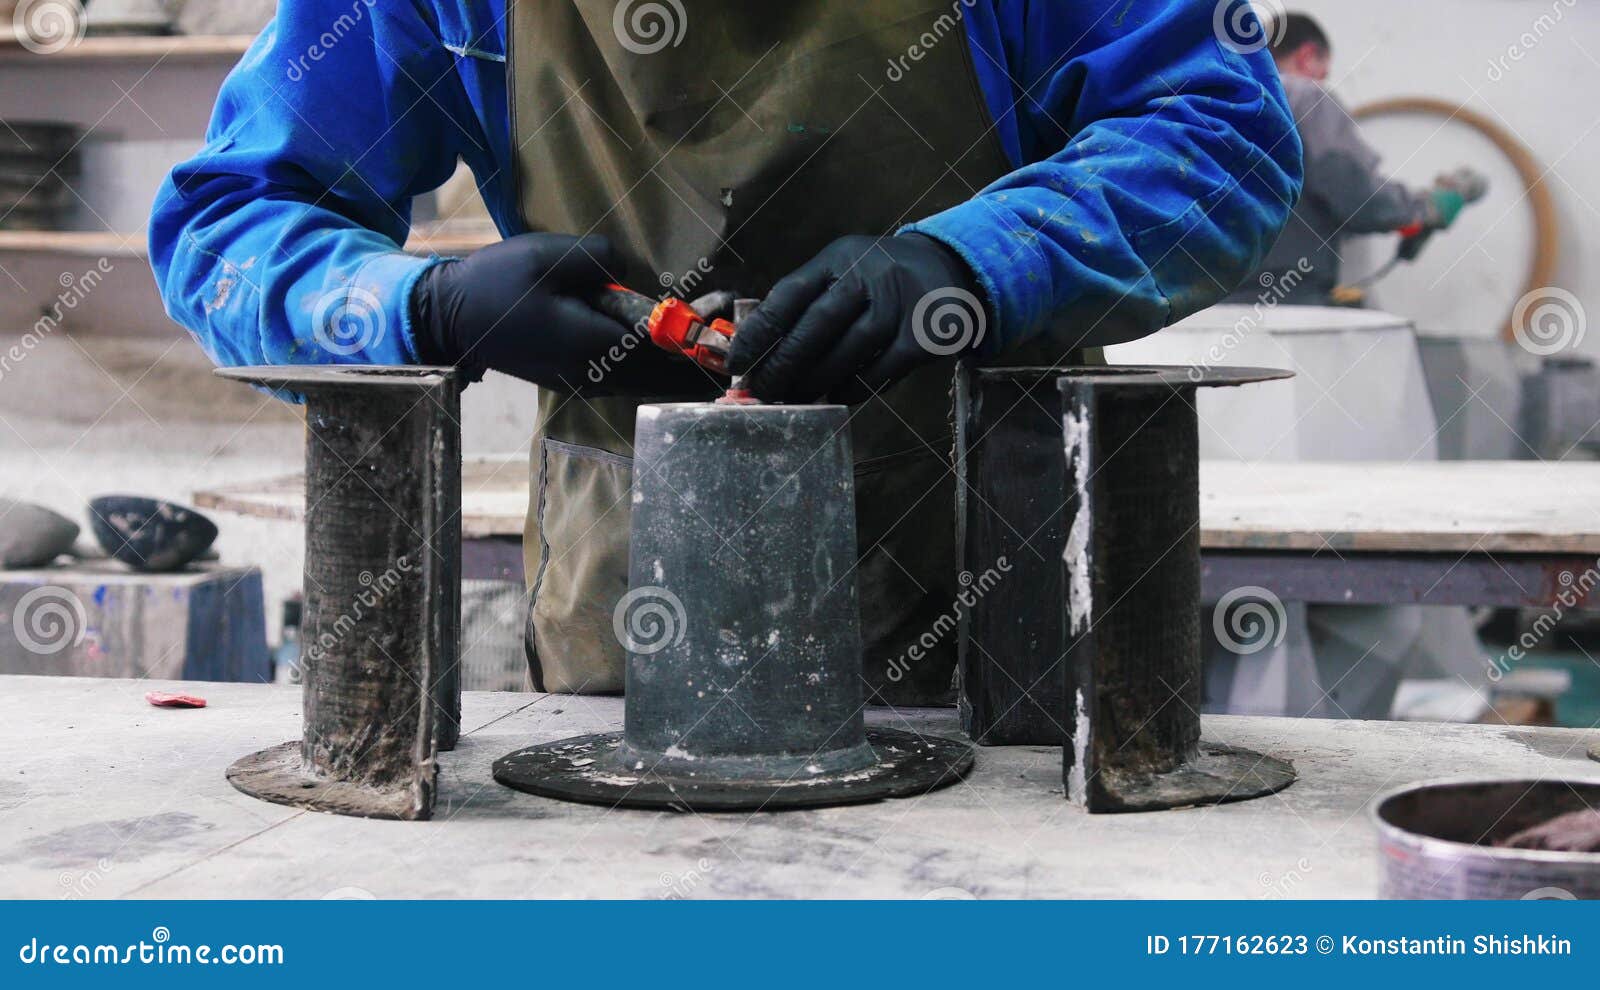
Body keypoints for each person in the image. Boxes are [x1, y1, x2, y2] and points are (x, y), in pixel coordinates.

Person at [150, 0, 1301, 702]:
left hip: (1002, 616)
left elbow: (1225, 136)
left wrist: (968, 266)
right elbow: (228, 225)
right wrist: (424, 306)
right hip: (630, 627)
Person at [1240, 12, 1485, 304]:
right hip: (1286, 304)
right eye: (1323, 71)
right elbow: (1353, 192)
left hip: (1200, 307)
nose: (1323, 80)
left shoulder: (1210, 102)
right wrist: (1423, 208)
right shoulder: (1304, 96)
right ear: (1307, 57)